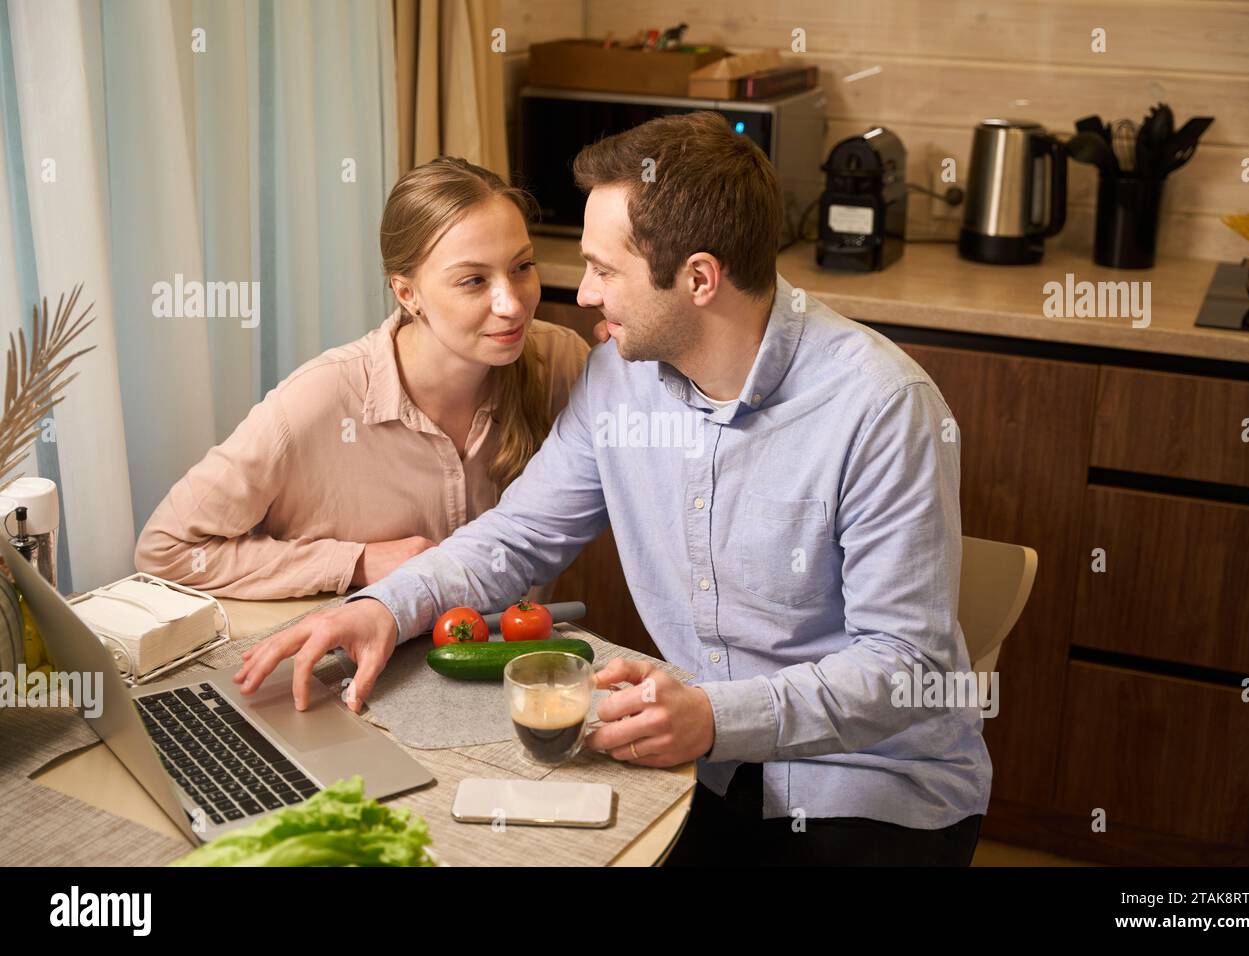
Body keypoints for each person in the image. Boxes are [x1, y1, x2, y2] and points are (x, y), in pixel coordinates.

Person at [232, 112, 991, 865]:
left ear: (699, 278)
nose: (581, 293)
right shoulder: (619, 379)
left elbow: (908, 669)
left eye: (604, 269)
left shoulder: (880, 406)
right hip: (704, 772)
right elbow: (518, 537)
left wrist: (713, 718)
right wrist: (382, 608)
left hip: (867, 792)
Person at [135, 158, 589, 599]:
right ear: (407, 293)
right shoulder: (319, 399)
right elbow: (165, 549)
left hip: (513, 663)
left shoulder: (561, 361)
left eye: (522, 267)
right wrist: (356, 562)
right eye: (473, 281)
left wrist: (639, 359)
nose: (512, 304)